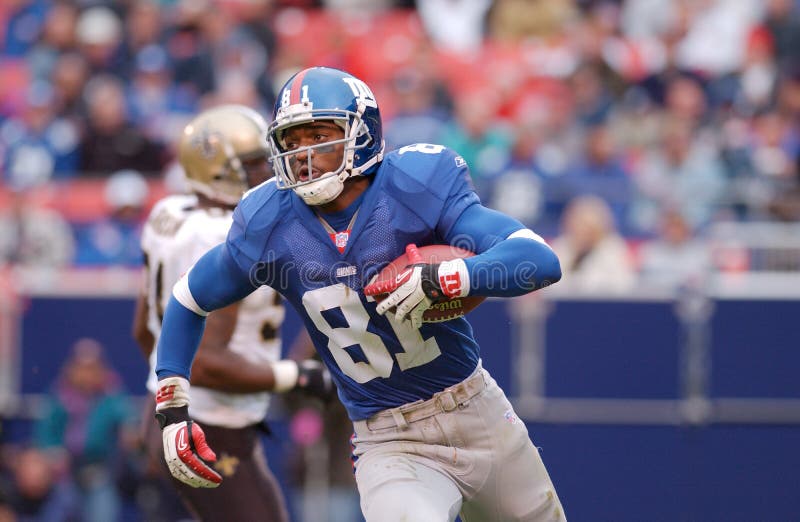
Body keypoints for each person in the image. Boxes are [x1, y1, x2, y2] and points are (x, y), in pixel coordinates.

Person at [152, 67, 566, 521]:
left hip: (476, 409)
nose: (304, 155)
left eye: (319, 135)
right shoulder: (269, 220)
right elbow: (189, 298)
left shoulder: (415, 183)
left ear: (361, 133)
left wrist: (449, 278)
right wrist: (172, 408)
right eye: (292, 141)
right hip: (390, 438)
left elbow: (538, 260)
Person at [132, 104, 333, 522]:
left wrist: (165, 393)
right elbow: (203, 362)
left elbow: (144, 331)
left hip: (173, 415)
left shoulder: (167, 214)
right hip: (210, 425)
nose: (272, 170)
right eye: (256, 163)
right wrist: (295, 376)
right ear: (218, 171)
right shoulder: (226, 234)